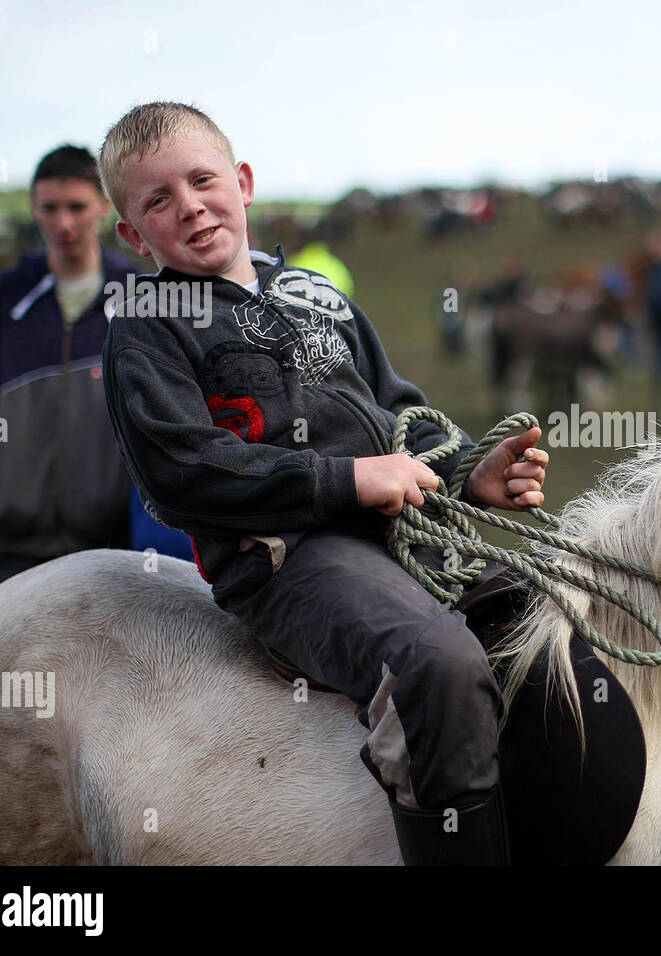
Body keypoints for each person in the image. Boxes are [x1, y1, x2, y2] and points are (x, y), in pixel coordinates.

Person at [98, 102, 548, 864]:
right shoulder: (145, 324)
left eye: (203, 180)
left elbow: (399, 413)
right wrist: (343, 480)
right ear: (135, 236)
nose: (191, 207)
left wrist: (473, 473)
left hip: (401, 537)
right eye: (158, 201)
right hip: (288, 558)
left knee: (549, 631)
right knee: (435, 663)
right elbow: (181, 471)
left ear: (241, 182)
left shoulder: (316, 291)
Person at [0, 146, 133, 591]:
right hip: (14, 545)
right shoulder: (4, 296)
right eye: (50, 208)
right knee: (17, 663)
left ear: (104, 205)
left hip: (109, 545)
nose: (64, 223)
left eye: (77, 206)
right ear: (33, 208)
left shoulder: (134, 298)